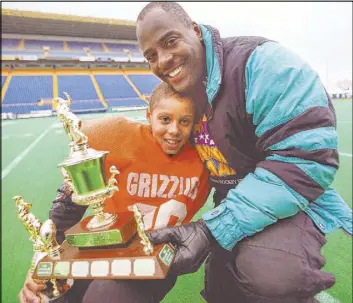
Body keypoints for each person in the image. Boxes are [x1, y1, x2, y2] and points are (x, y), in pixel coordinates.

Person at [136, 2, 353, 303]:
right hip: (234, 203)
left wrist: (212, 229)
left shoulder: (263, 63)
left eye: (170, 42)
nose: (163, 60)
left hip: (291, 202)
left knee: (271, 279)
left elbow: (307, 158)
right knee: (221, 293)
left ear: (195, 30)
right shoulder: (184, 93)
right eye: (150, 56)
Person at [18, 82, 210, 303]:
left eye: (184, 121)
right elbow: (70, 203)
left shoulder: (208, 158)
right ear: (149, 116)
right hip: (103, 246)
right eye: (165, 119)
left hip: (156, 257)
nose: (174, 130)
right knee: (50, 296)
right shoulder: (119, 136)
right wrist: (43, 260)